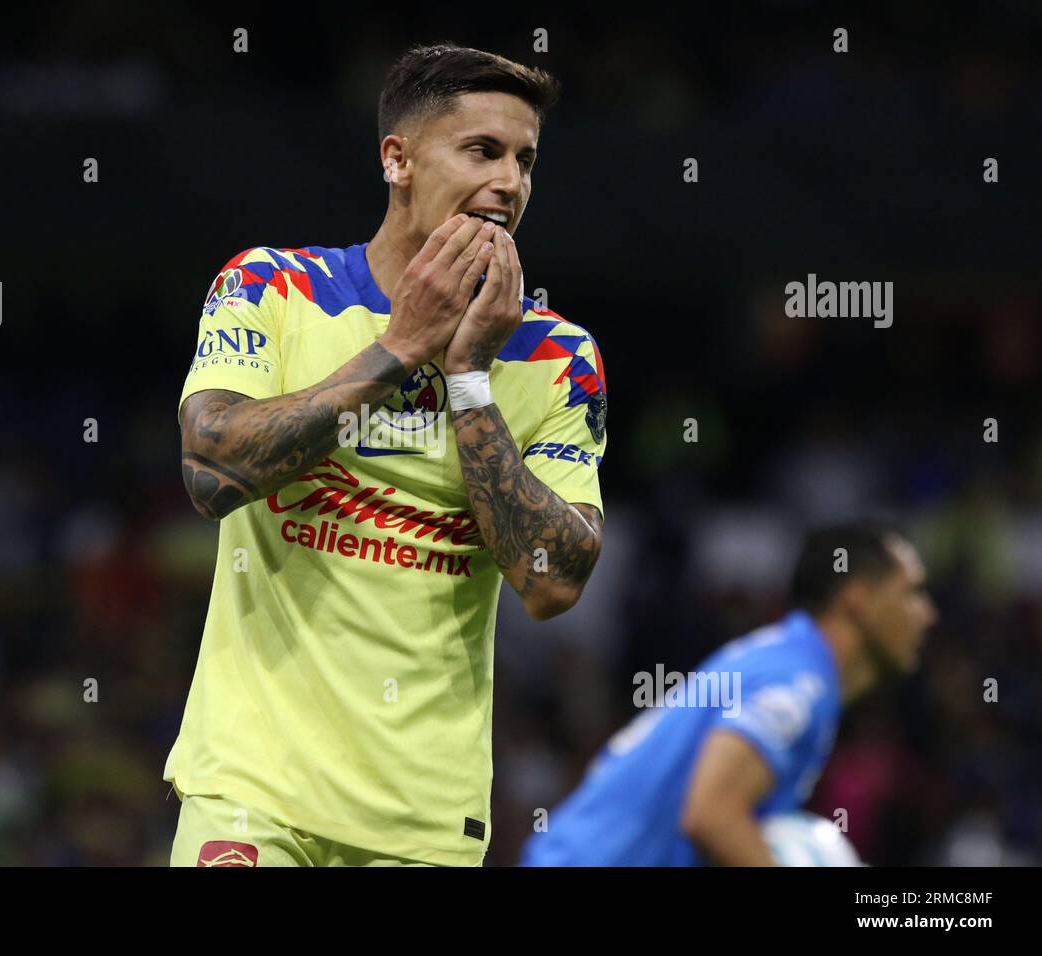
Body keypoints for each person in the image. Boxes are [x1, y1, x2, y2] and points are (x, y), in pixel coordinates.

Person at [168, 43, 608, 866]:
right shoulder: (273, 289)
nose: (510, 183)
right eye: (481, 151)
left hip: (424, 819)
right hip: (253, 788)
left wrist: (469, 377)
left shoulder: (555, 356)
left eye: (525, 161)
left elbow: (551, 581)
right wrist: (403, 349)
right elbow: (213, 471)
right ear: (396, 160)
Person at [521, 522, 938, 866]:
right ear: (858, 600)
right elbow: (712, 817)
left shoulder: (781, 659)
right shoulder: (798, 679)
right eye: (912, 592)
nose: (928, 614)